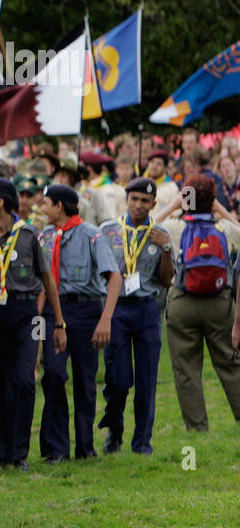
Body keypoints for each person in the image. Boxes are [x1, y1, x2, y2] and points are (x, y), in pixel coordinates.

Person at [0, 179, 63, 468]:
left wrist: (58, 324)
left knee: (24, 380)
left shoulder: (29, 235)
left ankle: (19, 454)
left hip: (28, 314)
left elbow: (47, 279)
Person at [37, 184, 122, 462]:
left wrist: (105, 320)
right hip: (55, 311)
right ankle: (56, 448)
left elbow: (114, 277)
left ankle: (85, 447)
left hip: (86, 311)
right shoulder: (45, 237)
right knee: (53, 374)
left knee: (85, 381)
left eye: (47, 203)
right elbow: (41, 281)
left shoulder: (91, 235)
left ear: (60, 206)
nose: (42, 208)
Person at [154, 176, 240, 431]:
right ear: (212, 200)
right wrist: (221, 210)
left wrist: (172, 206)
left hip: (182, 301)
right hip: (219, 302)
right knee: (231, 363)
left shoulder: (174, 227)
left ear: (185, 200)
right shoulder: (225, 228)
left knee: (186, 369)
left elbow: (146, 228)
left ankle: (197, 428)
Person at [96, 178, 173, 455]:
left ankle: (142, 442)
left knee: (146, 379)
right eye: (134, 199)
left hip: (147, 309)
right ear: (126, 200)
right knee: (117, 378)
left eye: (145, 201)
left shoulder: (161, 232)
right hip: (116, 309)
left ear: (153, 204)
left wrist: (165, 249)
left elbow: (166, 280)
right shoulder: (109, 231)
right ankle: (114, 430)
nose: (139, 205)